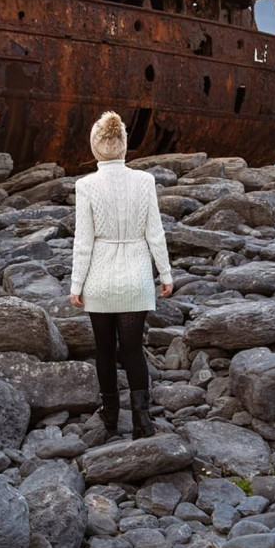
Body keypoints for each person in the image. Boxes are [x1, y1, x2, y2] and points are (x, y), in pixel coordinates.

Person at [69, 111, 174, 441]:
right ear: (124, 146)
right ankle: (143, 421)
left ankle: (110, 417)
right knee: (132, 350)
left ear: (95, 148)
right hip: (136, 277)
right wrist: (166, 274)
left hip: (99, 278)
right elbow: (155, 233)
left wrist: (76, 284)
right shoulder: (144, 182)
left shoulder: (85, 185)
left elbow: (83, 241)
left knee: (104, 350)